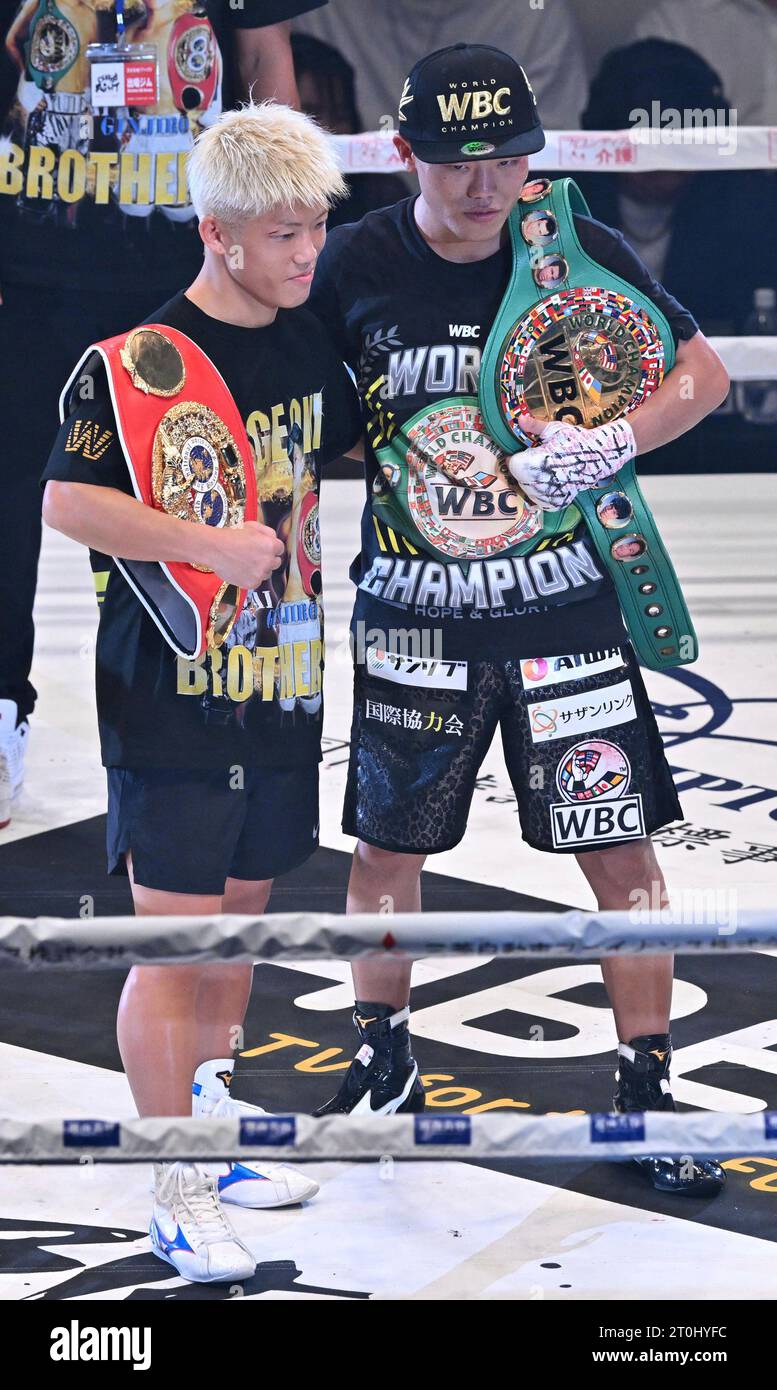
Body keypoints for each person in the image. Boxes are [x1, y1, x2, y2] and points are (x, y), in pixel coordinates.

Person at [307, 43, 730, 1196]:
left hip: (568, 613)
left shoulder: (571, 248)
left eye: (506, 159)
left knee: (617, 842)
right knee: (388, 846)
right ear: (405, 157)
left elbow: (702, 375)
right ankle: (382, 1065)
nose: (486, 186)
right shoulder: (349, 267)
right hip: (415, 615)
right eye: (457, 164)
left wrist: (613, 440)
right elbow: (302, 416)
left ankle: (647, 1093)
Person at [40, 100, 362, 1283]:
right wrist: (208, 544)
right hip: (170, 694)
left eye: (314, 233)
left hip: (282, 678)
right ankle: (170, 1187)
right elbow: (64, 505)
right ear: (217, 232)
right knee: (173, 948)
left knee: (237, 930)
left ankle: (215, 1134)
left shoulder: (306, 335)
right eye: (284, 236)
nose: (306, 255)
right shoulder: (138, 363)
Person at [0, 0, 327, 829]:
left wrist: (264, 227)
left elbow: (265, 56)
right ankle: (2, 709)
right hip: (28, 256)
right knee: (9, 495)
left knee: (182, 495)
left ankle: (173, 736)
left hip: (180, 253)